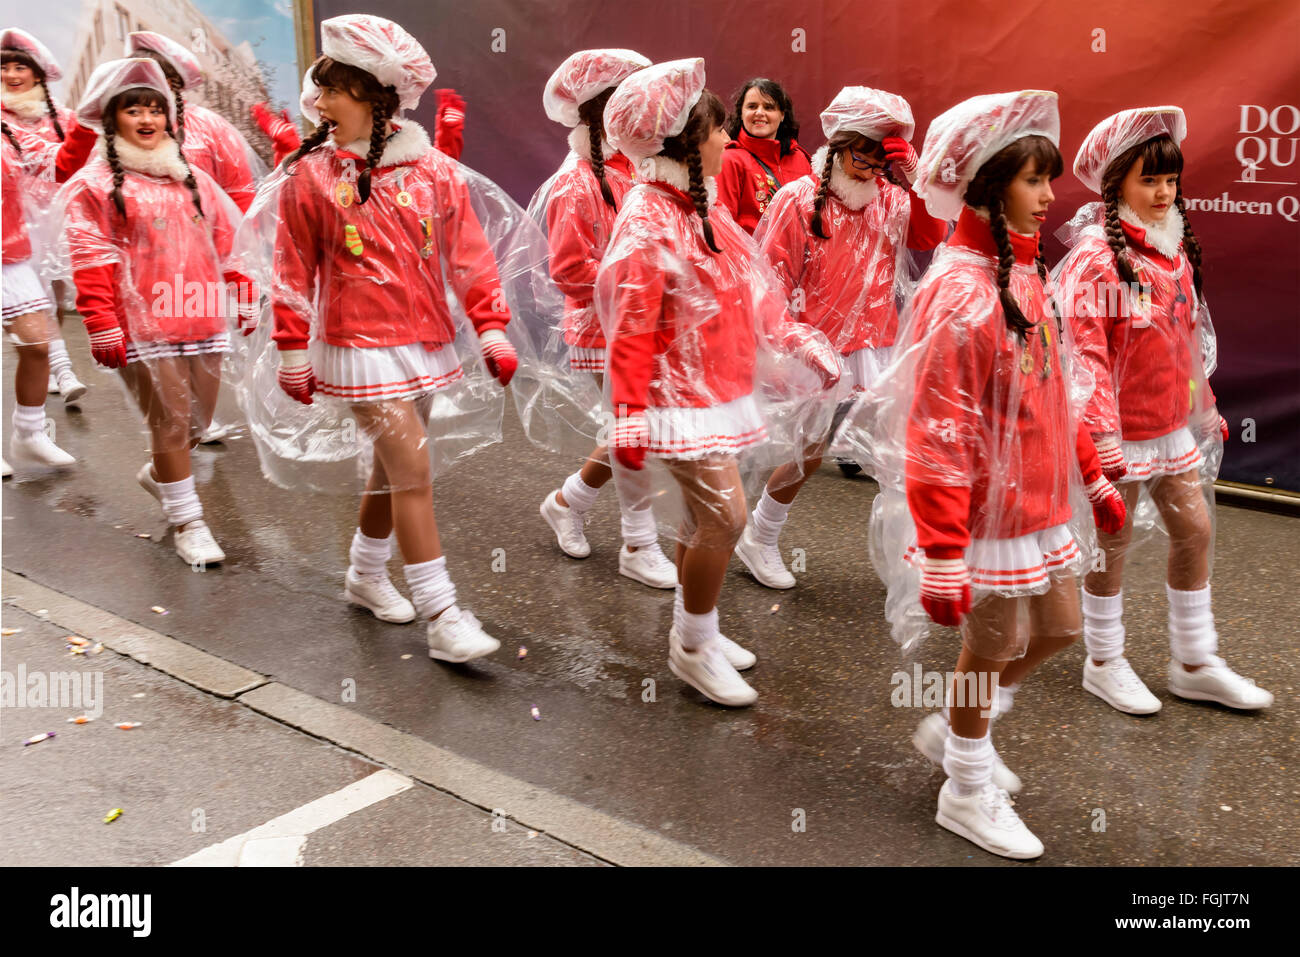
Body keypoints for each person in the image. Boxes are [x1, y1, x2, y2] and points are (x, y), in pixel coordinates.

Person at [878, 91, 1127, 858]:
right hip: (984, 515)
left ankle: (959, 722)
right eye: (1032, 181)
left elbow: (1055, 393)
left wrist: (1092, 476)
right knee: (996, 638)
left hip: (1039, 503)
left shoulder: (1021, 271)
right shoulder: (961, 292)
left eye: (1049, 180)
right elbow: (939, 429)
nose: (1051, 196)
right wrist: (946, 551)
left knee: (1059, 626)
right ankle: (965, 781)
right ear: (987, 187)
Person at [266, 15, 519, 663]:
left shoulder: (434, 172)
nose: (316, 103)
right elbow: (292, 268)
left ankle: (365, 573)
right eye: (318, 91)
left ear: (376, 98)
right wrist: (292, 349)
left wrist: (490, 328)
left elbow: (467, 257)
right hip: (356, 343)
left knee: (389, 468)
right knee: (412, 467)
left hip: (425, 339)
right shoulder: (310, 176)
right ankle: (443, 613)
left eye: (333, 91)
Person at [599, 58, 841, 707]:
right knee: (726, 516)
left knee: (703, 519)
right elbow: (630, 328)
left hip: (718, 391)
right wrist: (626, 411)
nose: (728, 139)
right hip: (679, 402)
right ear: (683, 140)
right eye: (715, 130)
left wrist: (798, 338)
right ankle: (690, 646)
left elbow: (757, 288)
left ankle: (696, 628)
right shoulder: (650, 219)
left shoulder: (702, 207)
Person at [1057, 107, 1273, 713]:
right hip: (1117, 435)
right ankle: (1103, 659)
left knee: (1195, 529)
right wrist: (1099, 439)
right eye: (1148, 180)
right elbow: (1086, 359)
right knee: (1112, 544)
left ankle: (1195, 659)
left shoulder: (1172, 249)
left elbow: (1183, 342)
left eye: (1171, 181)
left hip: (1167, 428)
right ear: (1115, 183)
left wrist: (1202, 406)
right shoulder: (1096, 259)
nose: (1163, 193)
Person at [739, 86, 947, 588]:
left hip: (874, 348)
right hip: (816, 348)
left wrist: (917, 181)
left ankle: (915, 555)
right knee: (809, 451)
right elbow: (765, 285)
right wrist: (797, 341)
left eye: (882, 163)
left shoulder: (893, 200)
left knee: (899, 452)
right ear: (837, 147)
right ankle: (760, 536)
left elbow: (929, 236)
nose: (872, 171)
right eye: (863, 158)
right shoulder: (796, 199)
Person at [55, 57, 254, 565]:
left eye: (154, 109)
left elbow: (230, 246)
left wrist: (246, 295)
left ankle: (164, 475)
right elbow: (90, 256)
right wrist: (100, 322)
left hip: (203, 314)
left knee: (195, 424)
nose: (146, 119)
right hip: (144, 326)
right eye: (133, 110)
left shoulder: (194, 180)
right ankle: (189, 522)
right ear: (111, 119)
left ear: (170, 118)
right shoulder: (95, 186)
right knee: (169, 423)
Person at [531, 48, 677, 590]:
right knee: (637, 427)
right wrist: (639, 285)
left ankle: (568, 501)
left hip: (638, 323)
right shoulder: (576, 182)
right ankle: (639, 543)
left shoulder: (633, 166)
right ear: (603, 110)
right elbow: (570, 270)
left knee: (634, 428)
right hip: (603, 329)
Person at [2, 27, 87, 404]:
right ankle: (62, 367)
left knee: (55, 292)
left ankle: (54, 366)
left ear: (38, 73)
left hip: (59, 216)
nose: (11, 75)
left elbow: (73, 166)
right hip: (18, 222)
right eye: (4, 68)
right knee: (37, 298)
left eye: (20, 67)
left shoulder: (62, 117)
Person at [3, 118, 76, 474]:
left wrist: (90, 122)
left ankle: (29, 432)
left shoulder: (7, 132)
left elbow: (62, 164)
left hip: (10, 254)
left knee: (37, 345)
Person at [125, 31, 261, 213]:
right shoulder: (120, 127)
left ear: (172, 83)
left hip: (210, 236)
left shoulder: (210, 125)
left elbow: (240, 192)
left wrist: (238, 239)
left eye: (151, 78)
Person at [715, 77, 811, 233]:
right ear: (741, 113)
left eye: (768, 107)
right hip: (750, 256)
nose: (759, 113)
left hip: (799, 256)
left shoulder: (800, 158)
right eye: (752, 106)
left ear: (782, 115)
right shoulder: (729, 160)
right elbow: (722, 229)